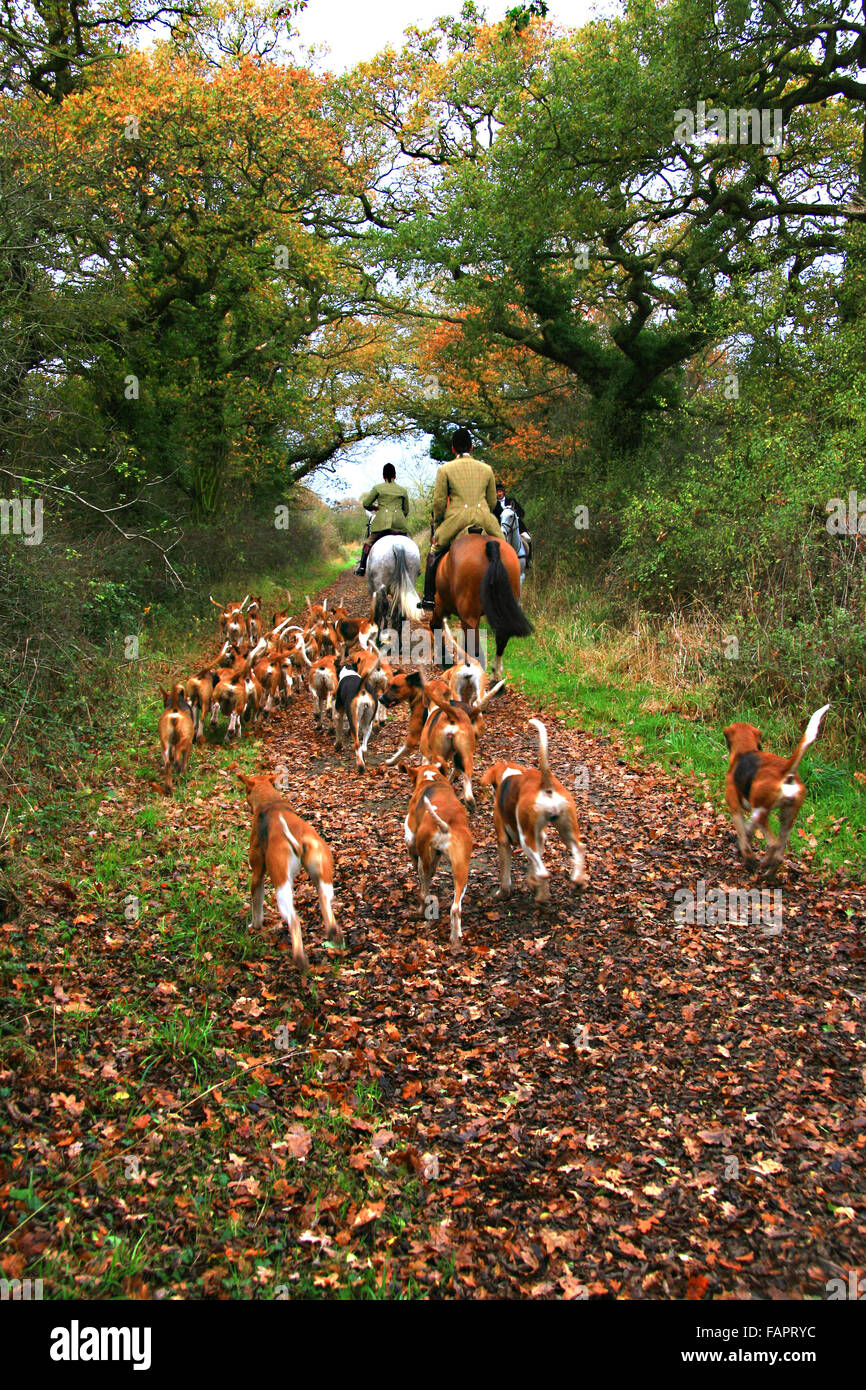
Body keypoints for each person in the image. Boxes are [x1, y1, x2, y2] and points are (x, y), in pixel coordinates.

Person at [420, 427, 505, 611]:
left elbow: (439, 503)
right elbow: (492, 501)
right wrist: (483, 513)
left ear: (453, 449)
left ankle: (428, 597)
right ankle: (510, 595)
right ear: (472, 447)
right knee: (506, 549)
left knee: (434, 550)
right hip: (485, 519)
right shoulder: (486, 469)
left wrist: (439, 522)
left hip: (456, 520)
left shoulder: (445, 469)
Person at [355, 464, 410, 575]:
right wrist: (399, 517)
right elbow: (406, 510)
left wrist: (375, 508)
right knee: (409, 543)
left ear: (383, 476)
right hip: (399, 524)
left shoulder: (378, 488)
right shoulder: (402, 490)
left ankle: (361, 567)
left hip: (381, 525)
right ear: (395, 475)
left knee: (368, 542)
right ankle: (415, 568)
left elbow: (366, 503)